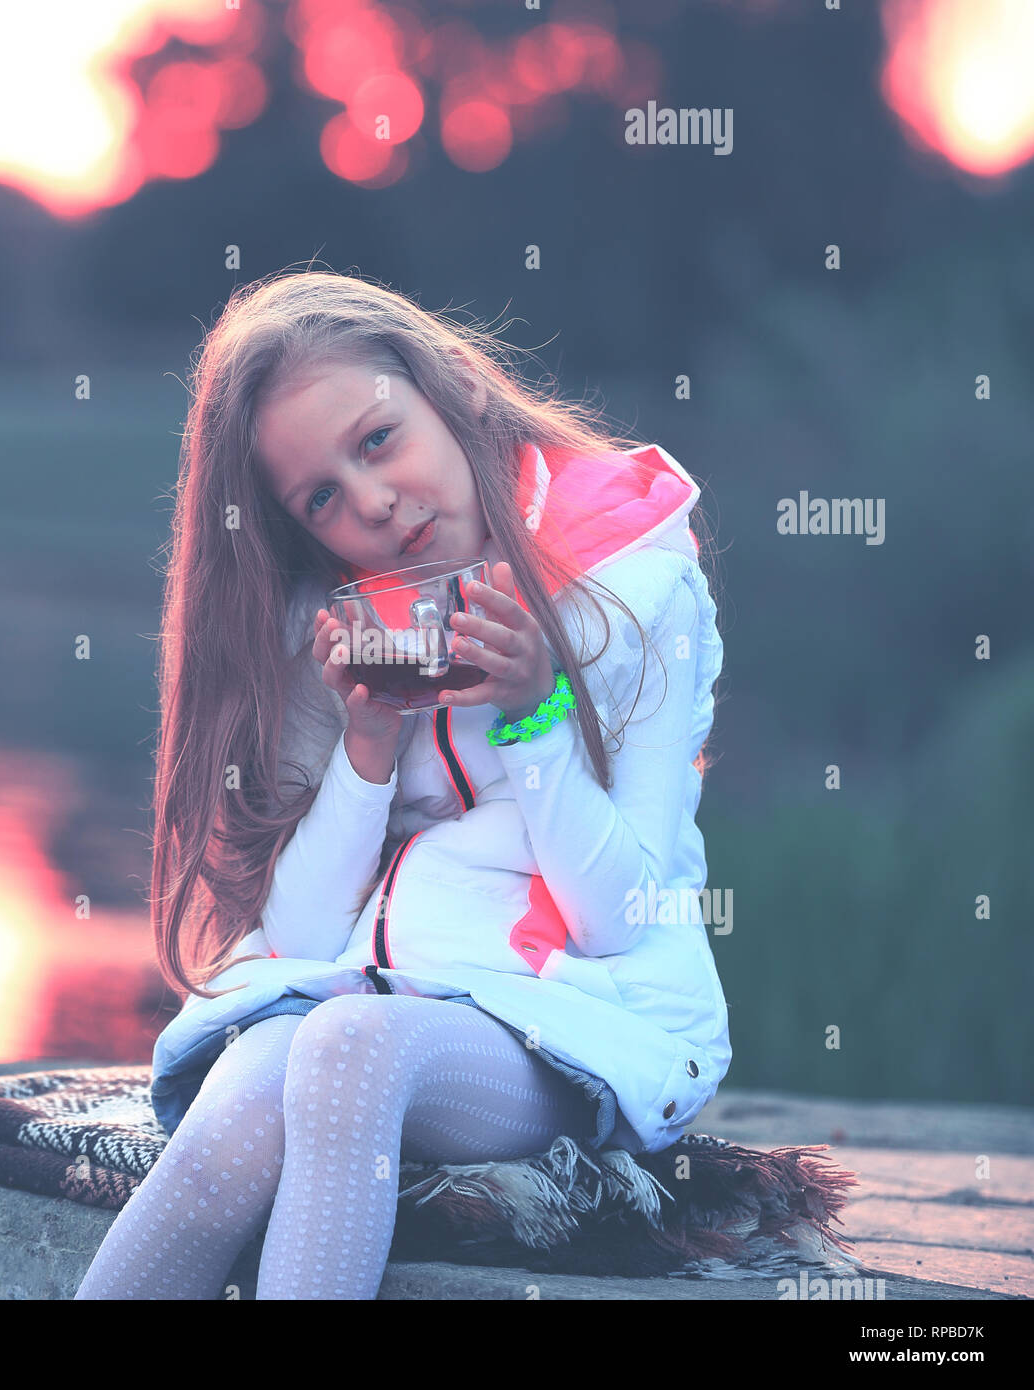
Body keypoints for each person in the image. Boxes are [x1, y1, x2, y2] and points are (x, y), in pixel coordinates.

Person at [75, 267, 730, 1301]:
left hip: (576, 1023)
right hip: (364, 995)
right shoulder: (330, 629)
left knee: (339, 1047)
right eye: (323, 496)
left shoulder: (636, 591)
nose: (374, 502)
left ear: (459, 386)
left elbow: (617, 919)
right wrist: (364, 750)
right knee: (241, 1097)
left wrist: (533, 712)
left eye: (378, 440)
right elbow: (292, 939)